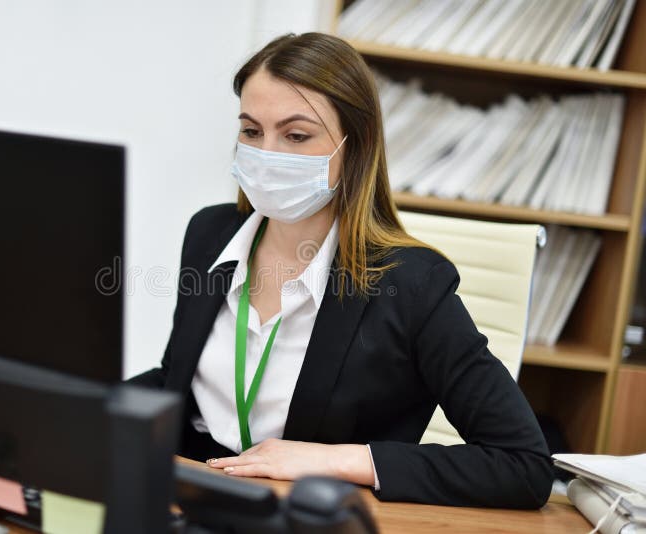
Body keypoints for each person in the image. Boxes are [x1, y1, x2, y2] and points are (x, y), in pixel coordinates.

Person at [130, 32, 553, 509]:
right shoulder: (210, 233)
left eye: (296, 135)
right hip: (191, 495)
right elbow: (178, 381)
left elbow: (523, 463)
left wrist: (337, 461)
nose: (268, 153)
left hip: (309, 509)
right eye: (251, 131)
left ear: (354, 147)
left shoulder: (412, 285)